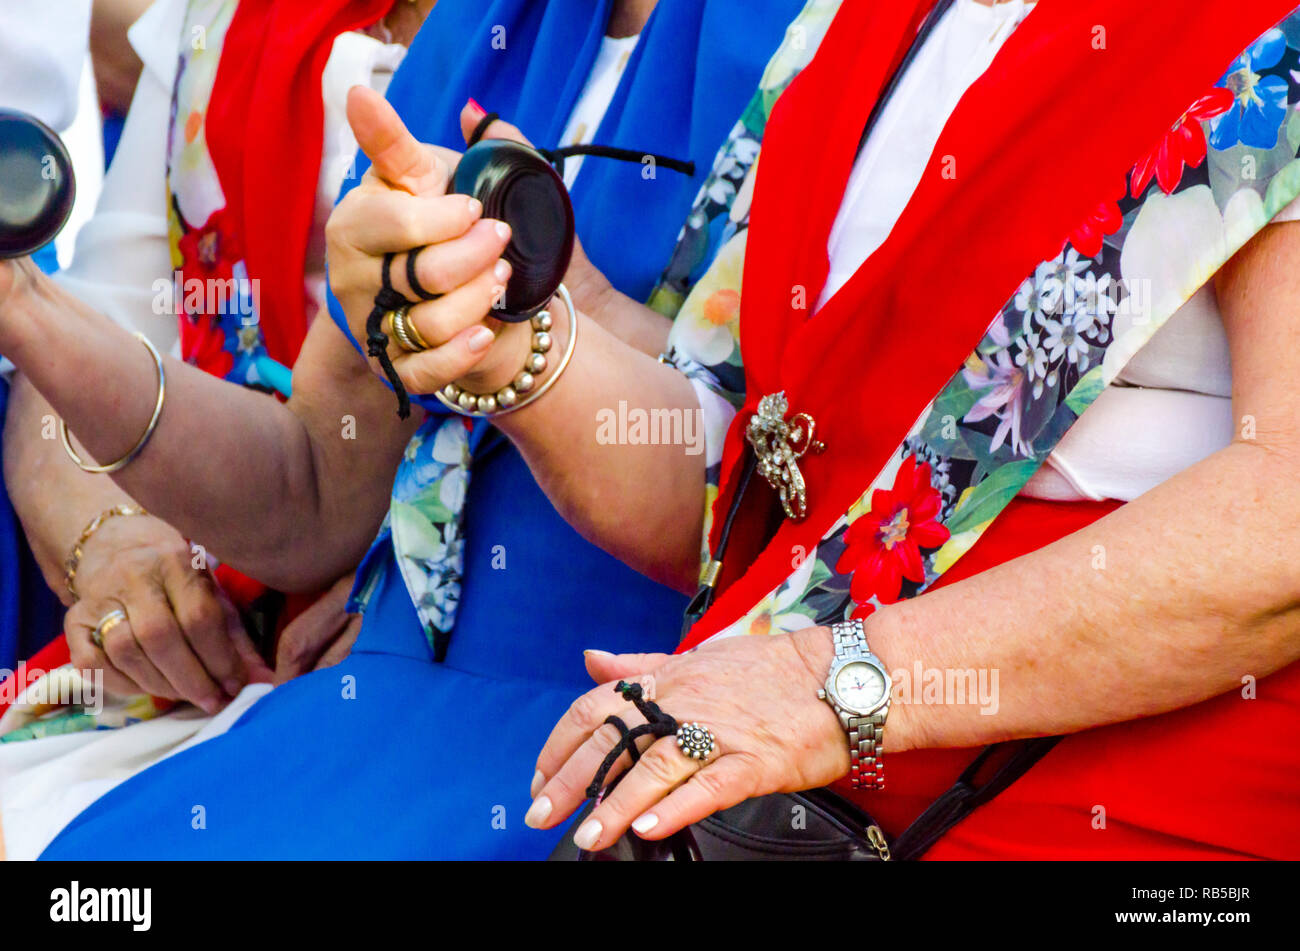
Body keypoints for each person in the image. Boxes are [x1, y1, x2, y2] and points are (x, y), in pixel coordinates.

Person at [295, 0, 1300, 858]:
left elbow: (1282, 519)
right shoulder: (845, 25)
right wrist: (499, 331)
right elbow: (738, 482)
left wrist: (817, 686)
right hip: (784, 808)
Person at [0, 0, 804, 858]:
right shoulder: (487, 29)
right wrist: (28, 309)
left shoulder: (833, 41)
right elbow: (310, 487)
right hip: (380, 703)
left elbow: (781, 488)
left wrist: (532, 338)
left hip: (628, 733)